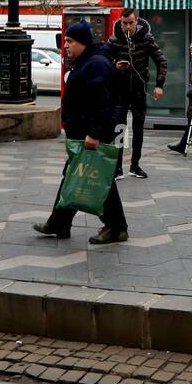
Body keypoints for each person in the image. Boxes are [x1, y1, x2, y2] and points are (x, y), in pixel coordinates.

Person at [34, 20, 128, 244]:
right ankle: (59, 223)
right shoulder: (86, 61)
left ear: (83, 42)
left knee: (98, 178)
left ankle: (116, 228)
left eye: (70, 41)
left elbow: (103, 103)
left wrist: (94, 134)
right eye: (65, 41)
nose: (65, 46)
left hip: (92, 135)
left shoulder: (96, 64)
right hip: (83, 134)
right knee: (74, 176)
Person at [105, 9, 167, 179]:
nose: (128, 27)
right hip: (120, 89)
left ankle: (135, 165)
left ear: (137, 21)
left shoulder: (146, 37)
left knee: (138, 127)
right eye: (124, 23)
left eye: (131, 23)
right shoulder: (114, 39)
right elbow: (103, 60)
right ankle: (117, 167)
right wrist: (115, 64)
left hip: (139, 89)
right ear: (120, 21)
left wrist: (159, 85)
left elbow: (161, 61)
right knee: (119, 128)